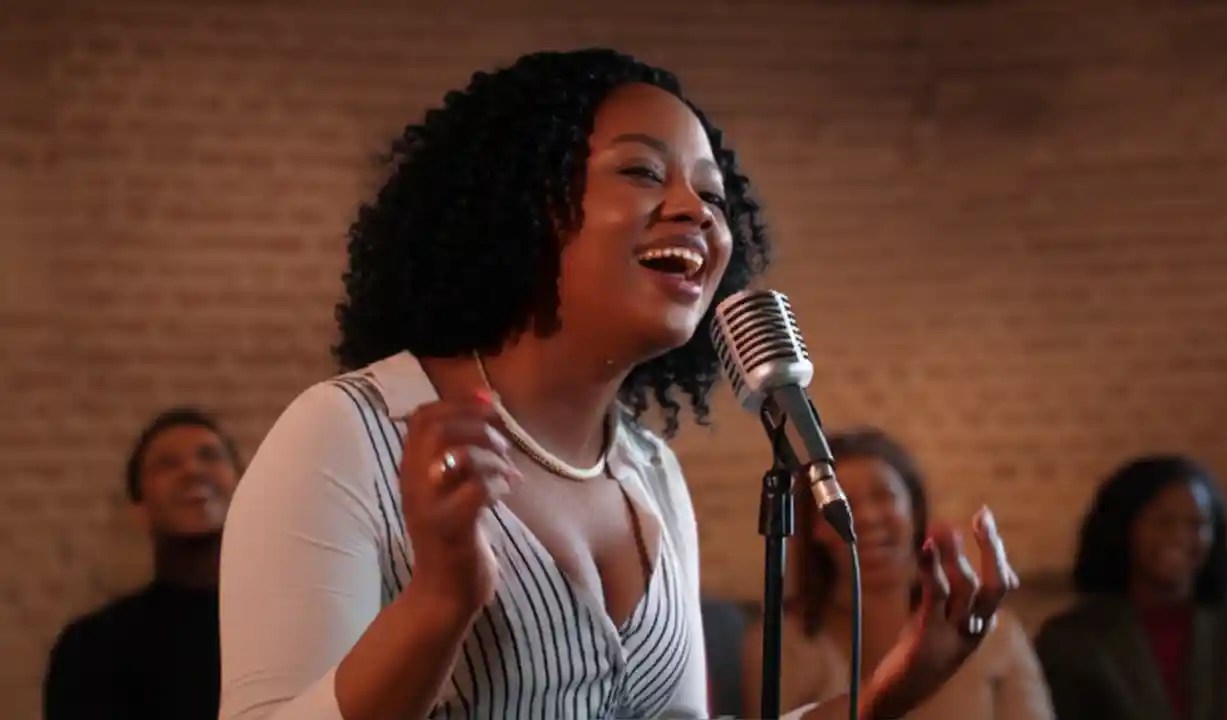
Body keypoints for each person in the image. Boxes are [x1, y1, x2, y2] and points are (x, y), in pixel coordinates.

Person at [217, 48, 1019, 720]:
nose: (695, 213)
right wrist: (439, 603)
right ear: (523, 205)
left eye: (712, 194)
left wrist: (888, 691)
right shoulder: (349, 433)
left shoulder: (649, 472)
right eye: (642, 171)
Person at [741, 427, 1052, 719]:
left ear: (914, 511)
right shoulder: (783, 645)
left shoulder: (993, 633)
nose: (865, 516)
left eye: (883, 496)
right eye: (842, 502)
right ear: (814, 528)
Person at [1035, 454, 1227, 720]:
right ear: (1123, 528)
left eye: (1196, 524)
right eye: (1163, 522)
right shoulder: (1070, 640)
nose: (1179, 537)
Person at [44, 407, 244, 720]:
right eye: (167, 464)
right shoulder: (92, 648)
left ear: (243, 489)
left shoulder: (292, 625)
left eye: (210, 455)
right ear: (139, 509)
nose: (192, 470)